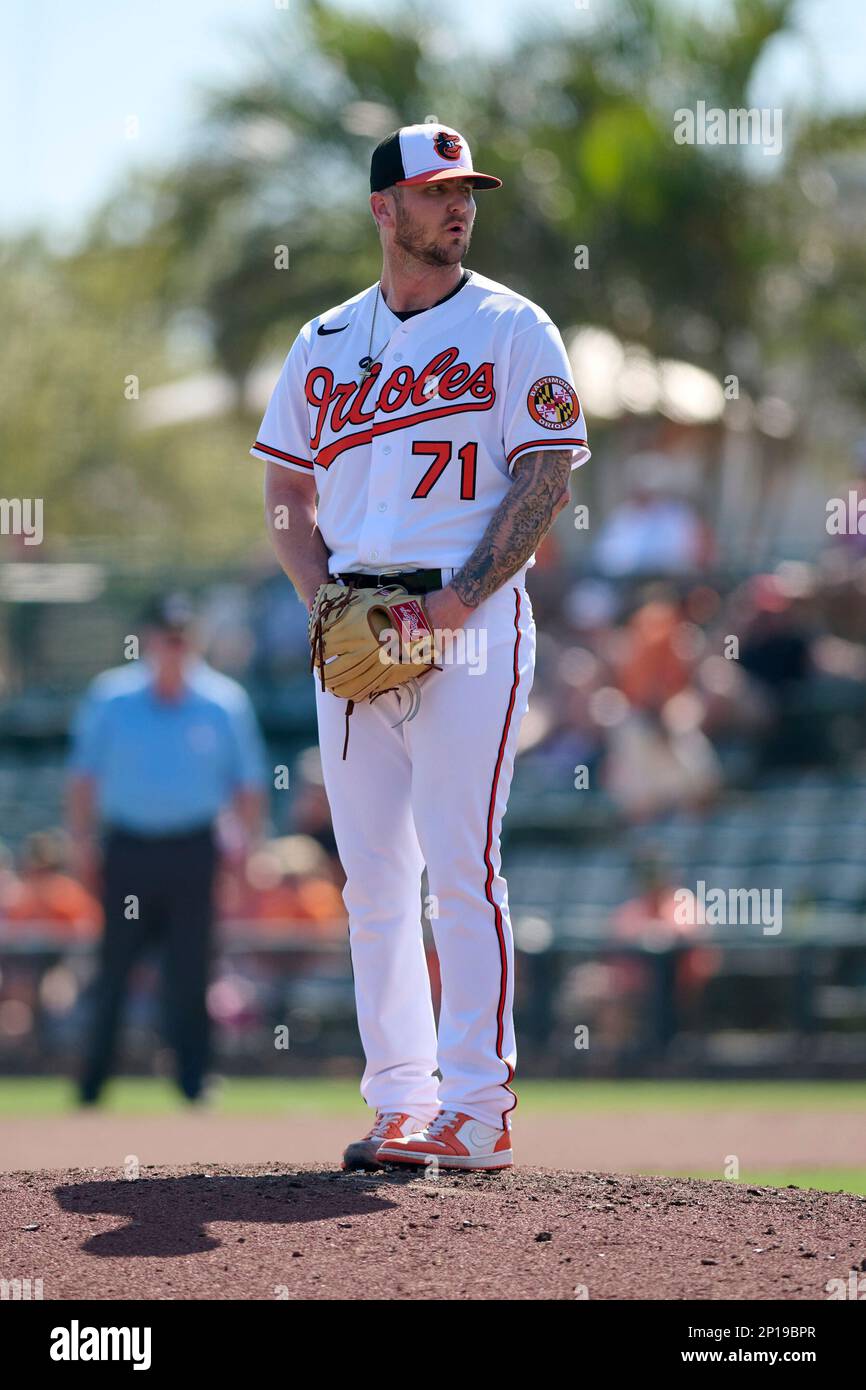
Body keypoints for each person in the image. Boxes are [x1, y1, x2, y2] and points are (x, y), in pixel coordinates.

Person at [252, 123, 590, 1170]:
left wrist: (456, 605)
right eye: (435, 189)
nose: (457, 205)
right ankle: (399, 1099)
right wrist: (317, 604)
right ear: (382, 210)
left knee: (460, 864)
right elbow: (281, 497)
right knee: (371, 881)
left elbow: (545, 478)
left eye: (466, 190)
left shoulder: (511, 326)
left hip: (471, 629)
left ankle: (476, 1110)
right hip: (354, 632)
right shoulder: (322, 342)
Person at [67, 593, 267, 1104]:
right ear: (149, 639)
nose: (174, 646)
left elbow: (247, 786)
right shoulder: (111, 697)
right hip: (128, 849)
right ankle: (93, 1083)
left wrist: (242, 855)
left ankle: (193, 1079)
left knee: (192, 969)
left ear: (193, 640)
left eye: (182, 636)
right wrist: (83, 846)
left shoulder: (223, 701)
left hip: (194, 851)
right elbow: (83, 780)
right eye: (165, 635)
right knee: (112, 968)